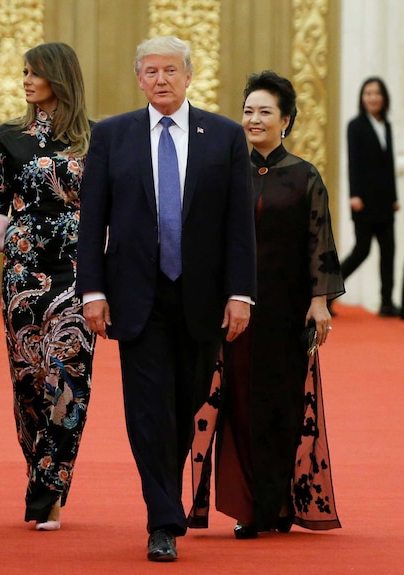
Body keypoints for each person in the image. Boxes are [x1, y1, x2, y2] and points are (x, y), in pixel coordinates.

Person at [75, 36, 256, 562]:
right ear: (138, 78)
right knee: (148, 409)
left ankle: (165, 496)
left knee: (185, 402)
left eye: (170, 70)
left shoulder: (223, 137)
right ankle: (163, 518)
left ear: (189, 76)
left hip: (202, 297)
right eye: (150, 71)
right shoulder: (112, 136)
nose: (160, 80)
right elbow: (93, 223)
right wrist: (92, 290)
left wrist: (241, 293)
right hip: (136, 296)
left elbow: (238, 226)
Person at [214, 70, 343, 539]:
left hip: (288, 311)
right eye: (248, 111)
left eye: (265, 111)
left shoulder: (305, 175)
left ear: (285, 120)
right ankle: (254, 506)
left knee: (283, 404)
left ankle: (280, 501)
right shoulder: (230, 171)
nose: (254, 119)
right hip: (237, 308)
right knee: (242, 403)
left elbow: (319, 243)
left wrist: (320, 302)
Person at [0, 42, 94, 531]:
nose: (26, 81)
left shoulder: (94, 138)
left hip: (76, 276)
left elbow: (107, 212)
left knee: (69, 383)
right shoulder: (9, 136)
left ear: (60, 77)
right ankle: (38, 473)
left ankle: (53, 486)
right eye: (24, 72)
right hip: (24, 277)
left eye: (36, 73)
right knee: (29, 386)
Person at [339, 77, 399, 317]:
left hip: (385, 202)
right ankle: (328, 293)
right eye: (368, 94)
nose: (372, 98)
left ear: (383, 97)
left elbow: (389, 164)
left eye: (376, 93)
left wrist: (394, 197)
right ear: (362, 99)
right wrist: (354, 194)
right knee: (361, 250)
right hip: (363, 201)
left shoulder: (387, 125)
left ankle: (386, 302)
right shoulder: (356, 125)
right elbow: (354, 162)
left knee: (389, 252)